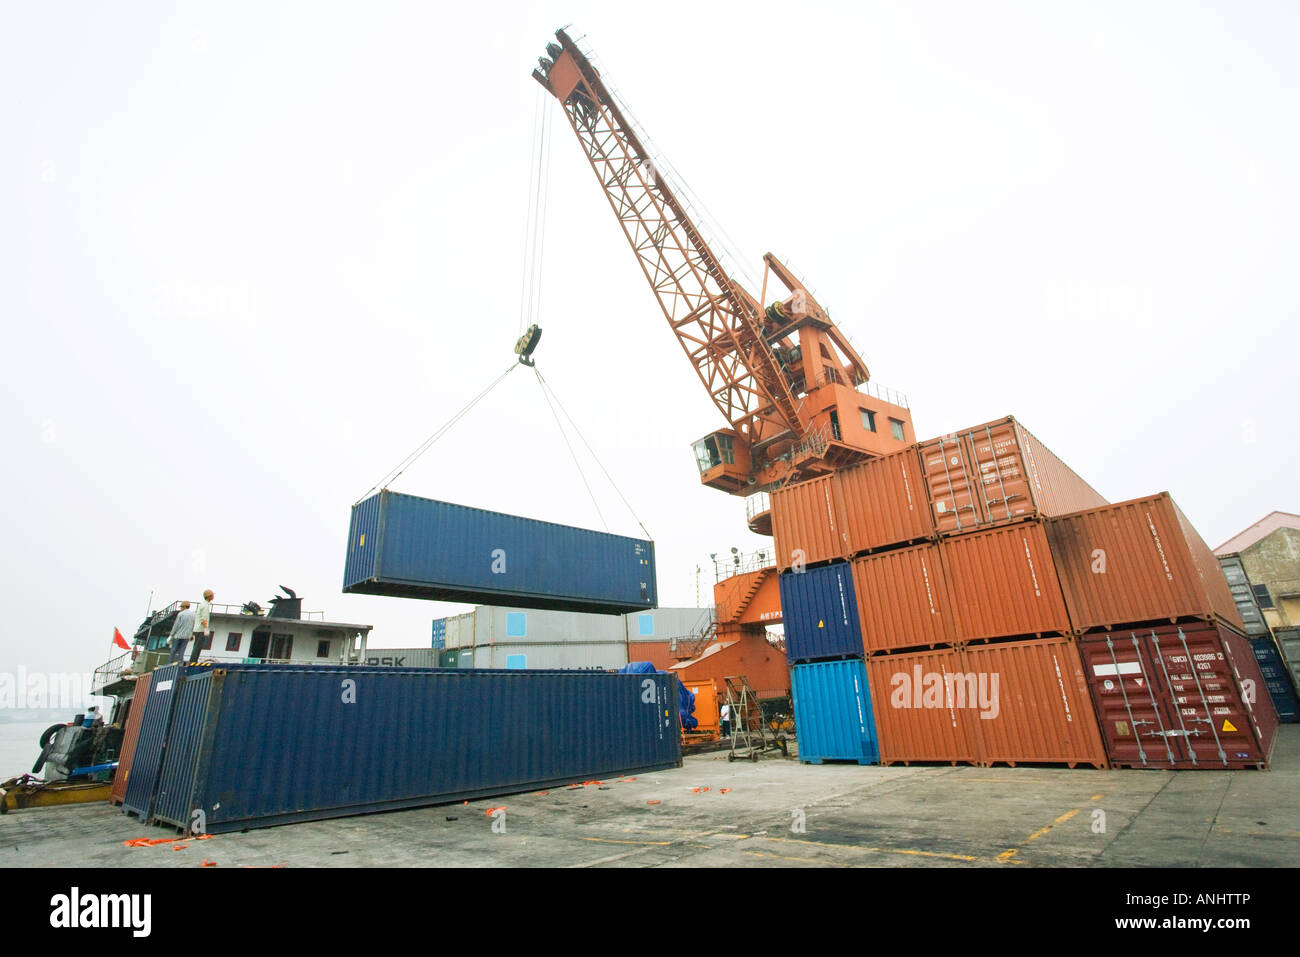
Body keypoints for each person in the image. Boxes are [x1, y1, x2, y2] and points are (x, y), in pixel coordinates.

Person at [189, 589, 214, 664]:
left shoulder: (201, 604)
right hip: (201, 629)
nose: (213, 596)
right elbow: (204, 619)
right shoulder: (205, 606)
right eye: (212, 595)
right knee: (198, 647)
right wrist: (206, 629)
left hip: (197, 629)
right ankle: (193, 662)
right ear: (209, 596)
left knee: (196, 646)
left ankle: (193, 661)